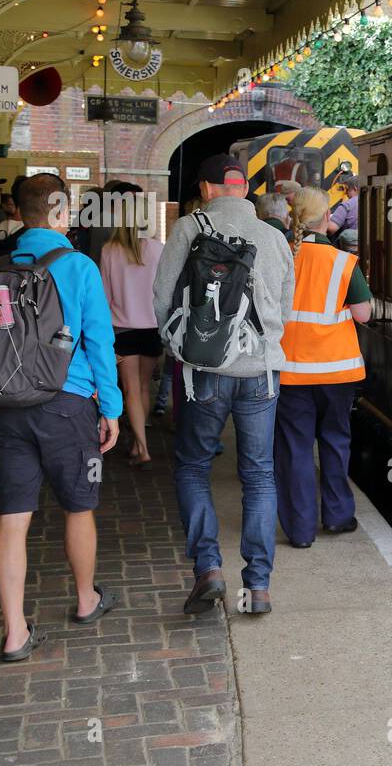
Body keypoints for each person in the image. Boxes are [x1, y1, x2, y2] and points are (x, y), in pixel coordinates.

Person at [0, 174, 123, 660]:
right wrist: (112, 408)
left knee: (13, 518)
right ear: (62, 212)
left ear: (20, 213)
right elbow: (100, 343)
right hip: (67, 403)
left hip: (6, 405)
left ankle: (15, 632)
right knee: (78, 507)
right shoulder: (78, 265)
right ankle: (86, 600)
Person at [153, 154, 295, 616]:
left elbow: (162, 298)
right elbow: (285, 310)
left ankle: (209, 569)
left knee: (193, 467)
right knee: (258, 474)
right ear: (243, 187)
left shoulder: (188, 230)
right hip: (262, 375)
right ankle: (258, 588)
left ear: (208, 189)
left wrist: (184, 351)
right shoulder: (275, 237)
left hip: (204, 375)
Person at [275, 187, 373, 547]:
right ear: (326, 217)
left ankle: (300, 531)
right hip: (336, 372)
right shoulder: (344, 262)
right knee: (335, 441)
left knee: (295, 448)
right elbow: (363, 314)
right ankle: (337, 516)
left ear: (293, 217)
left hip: (290, 372)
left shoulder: (280, 257)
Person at [100, 199, 165, 468]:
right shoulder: (158, 249)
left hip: (122, 329)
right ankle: (140, 445)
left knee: (130, 391)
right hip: (152, 328)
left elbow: (104, 295)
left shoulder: (109, 250)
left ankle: (143, 448)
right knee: (144, 387)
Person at [327, 173, 360, 245]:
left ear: (355, 189)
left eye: (348, 190)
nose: (346, 194)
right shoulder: (378, 202)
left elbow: (331, 229)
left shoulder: (347, 205)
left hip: (351, 249)